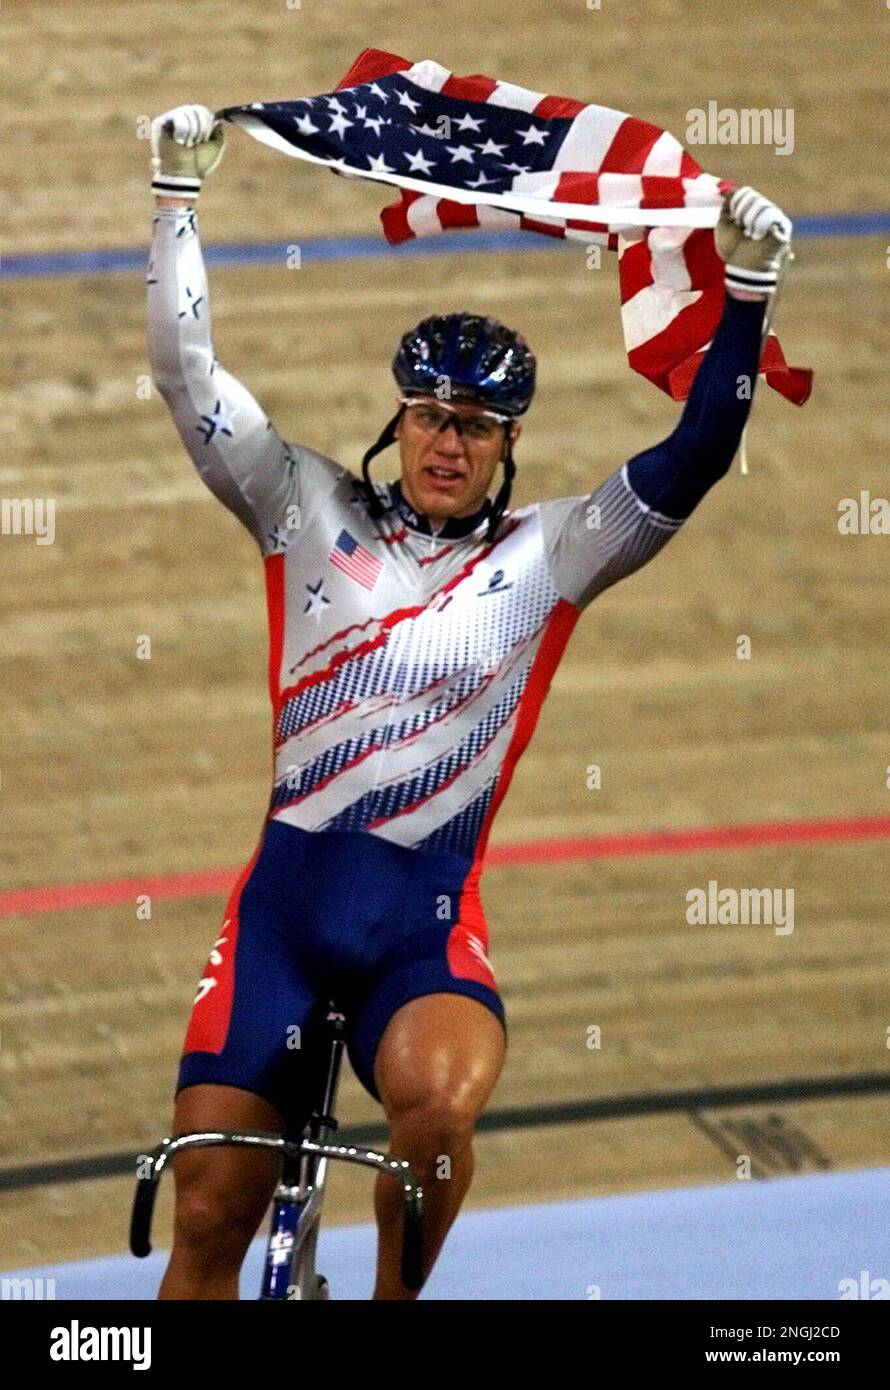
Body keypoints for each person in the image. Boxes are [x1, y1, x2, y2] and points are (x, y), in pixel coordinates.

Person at [146, 104, 792, 1299]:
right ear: (398, 421)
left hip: (420, 929)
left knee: (436, 1111)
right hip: (283, 921)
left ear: (506, 447)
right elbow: (189, 380)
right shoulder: (300, 503)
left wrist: (744, 294)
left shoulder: (555, 553)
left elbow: (696, 448)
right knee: (205, 1207)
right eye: (432, 417)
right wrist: (175, 203)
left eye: (478, 427)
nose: (449, 443)